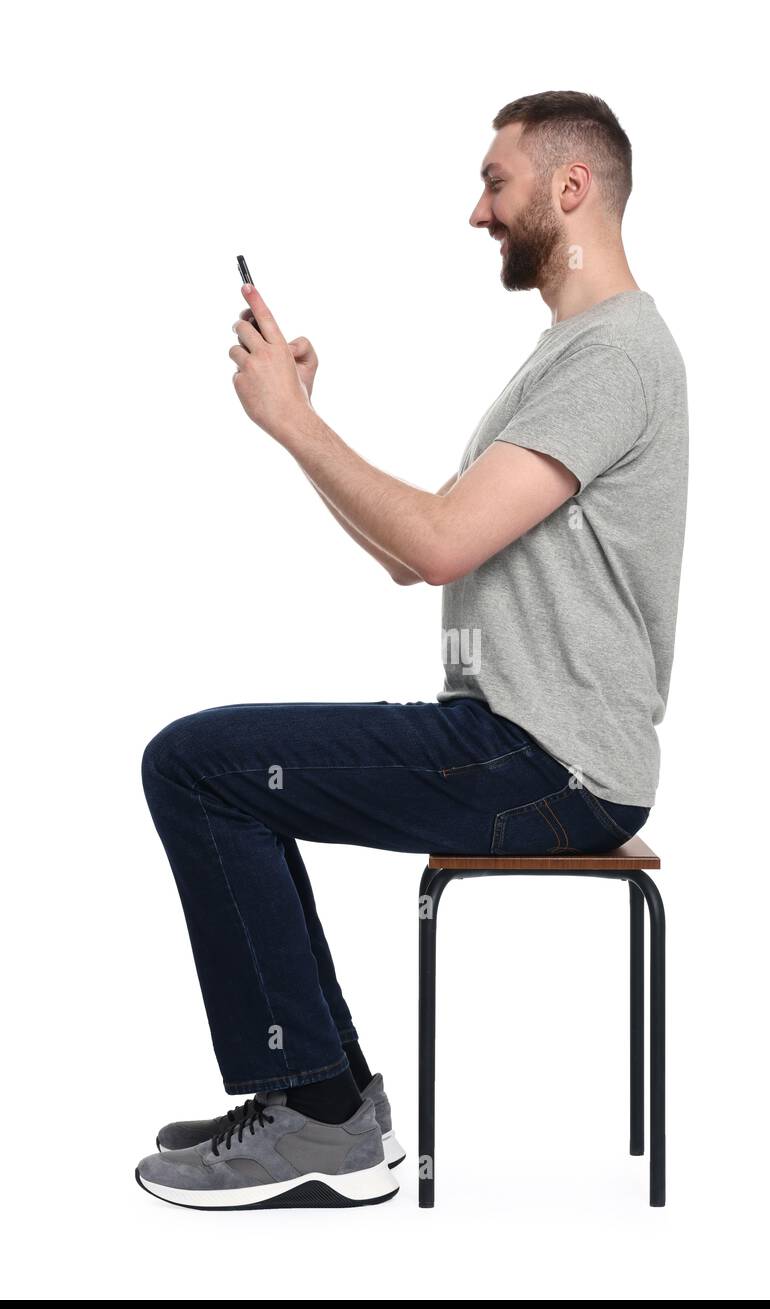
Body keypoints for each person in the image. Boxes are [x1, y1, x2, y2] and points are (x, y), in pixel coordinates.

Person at [136, 90, 689, 1210]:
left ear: (568, 188)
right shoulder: (570, 356)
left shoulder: (612, 359)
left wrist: (292, 420)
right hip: (521, 748)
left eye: (495, 181)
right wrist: (295, 421)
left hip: (545, 762)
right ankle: (324, 1097)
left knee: (196, 766)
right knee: (213, 767)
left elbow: (433, 545)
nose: (476, 212)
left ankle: (318, 1112)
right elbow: (416, 549)